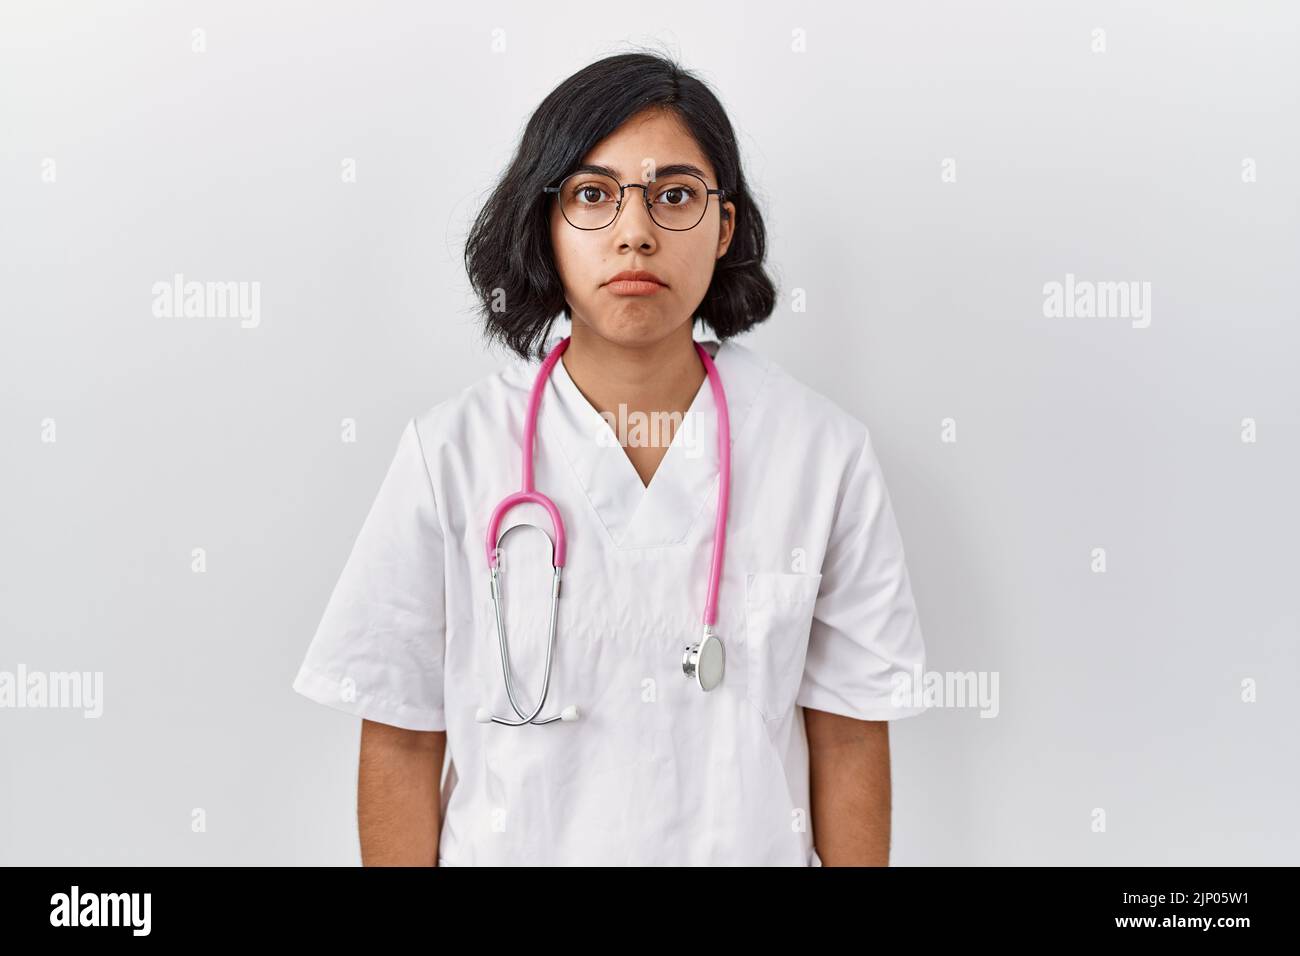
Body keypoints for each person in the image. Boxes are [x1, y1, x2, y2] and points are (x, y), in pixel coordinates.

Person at [292, 51, 928, 866]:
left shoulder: (821, 455)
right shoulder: (449, 456)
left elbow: (846, 741)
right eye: (593, 195)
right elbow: (402, 742)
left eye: (675, 196)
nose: (636, 231)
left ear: (724, 225)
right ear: (546, 225)